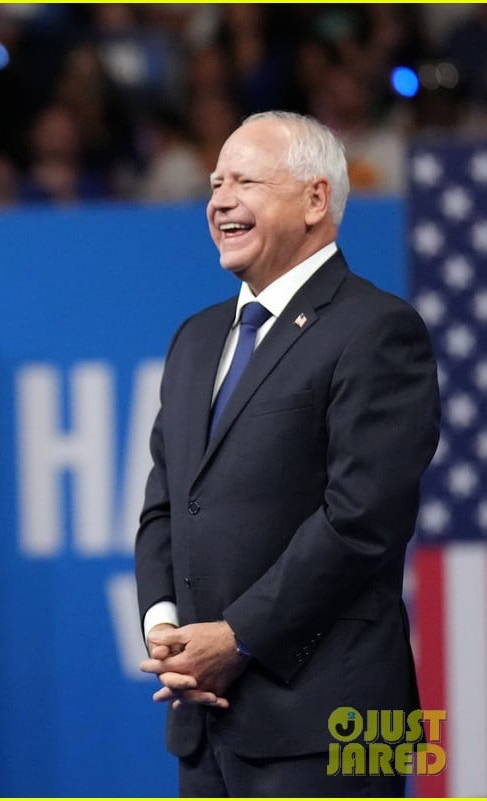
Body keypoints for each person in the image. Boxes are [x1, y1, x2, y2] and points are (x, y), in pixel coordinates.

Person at [134, 111, 439, 796]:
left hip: (333, 720)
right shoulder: (196, 337)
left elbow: (360, 519)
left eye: (245, 179)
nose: (219, 198)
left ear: (315, 199)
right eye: (215, 181)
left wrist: (236, 636)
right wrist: (168, 631)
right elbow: (167, 505)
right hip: (205, 719)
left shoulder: (379, 329)